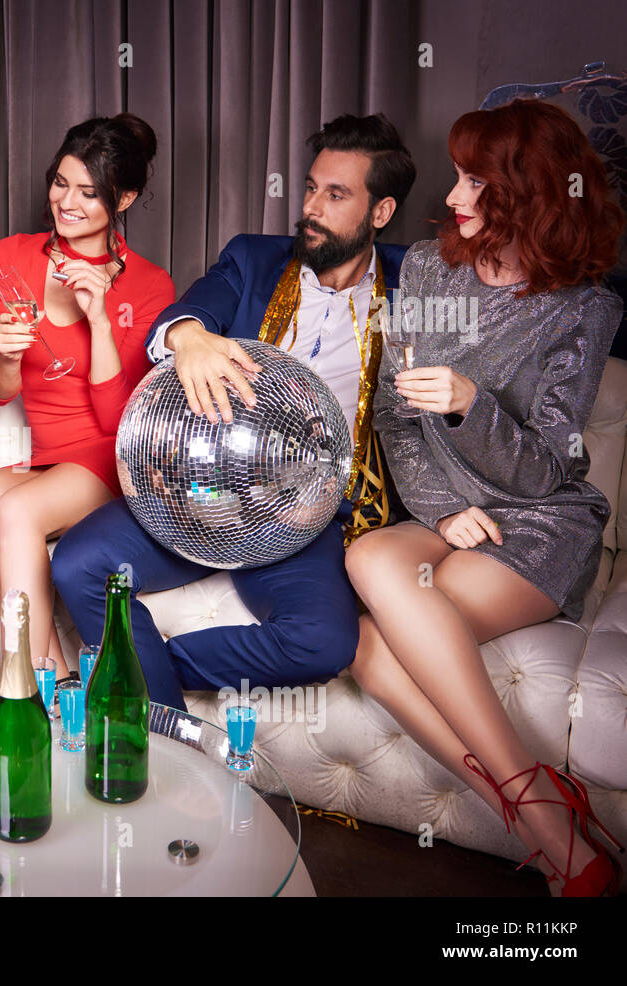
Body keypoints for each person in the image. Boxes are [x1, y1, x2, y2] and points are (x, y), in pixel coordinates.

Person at [344, 100, 625, 896]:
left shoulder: (584, 309)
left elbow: (550, 467)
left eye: (476, 182)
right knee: (369, 557)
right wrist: (437, 509)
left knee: (374, 645)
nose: (456, 196)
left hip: (536, 521)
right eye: (462, 177)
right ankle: (543, 808)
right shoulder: (432, 270)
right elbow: (396, 417)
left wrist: (471, 404)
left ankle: (541, 829)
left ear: (529, 194)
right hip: (446, 509)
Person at [53, 113, 416, 708]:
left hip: (306, 513)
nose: (312, 208)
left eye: (336, 194)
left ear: (380, 212)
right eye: (309, 188)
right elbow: (183, 316)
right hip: (204, 492)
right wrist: (189, 336)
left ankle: (136, 681)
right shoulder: (253, 259)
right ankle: (165, 736)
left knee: (322, 643)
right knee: (78, 565)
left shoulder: (414, 282)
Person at [0, 114, 175, 669]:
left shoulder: (150, 285)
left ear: (124, 198)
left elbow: (115, 419)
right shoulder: (10, 256)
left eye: (89, 192)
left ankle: (26, 684)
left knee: (15, 511)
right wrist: (6, 354)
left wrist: (101, 322)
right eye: (61, 183)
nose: (67, 202)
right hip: (48, 459)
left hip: (110, 456)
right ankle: (56, 675)